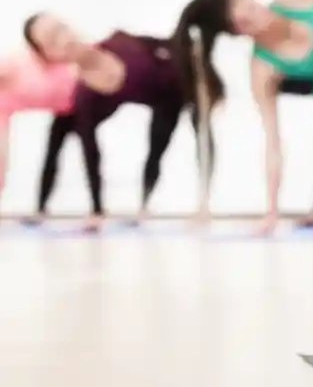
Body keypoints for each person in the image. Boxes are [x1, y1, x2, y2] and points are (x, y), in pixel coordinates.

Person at [174, 0, 313, 235]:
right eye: (246, 21)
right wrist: (271, 212)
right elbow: (273, 142)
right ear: (237, 32)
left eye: (251, 4)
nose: (259, 16)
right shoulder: (262, 69)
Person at [19, 12, 220, 231]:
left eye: (61, 29)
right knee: (61, 127)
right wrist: (97, 210)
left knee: (161, 148)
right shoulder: (85, 96)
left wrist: (202, 69)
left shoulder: (120, 41)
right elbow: (91, 151)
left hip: (179, 89)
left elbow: (171, 43)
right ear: (48, 56)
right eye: (52, 40)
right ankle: (43, 207)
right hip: (160, 102)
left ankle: (200, 203)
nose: (64, 40)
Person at [0, 32, 79, 218]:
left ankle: (42, 206)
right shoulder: (16, 62)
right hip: (8, 104)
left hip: (69, 109)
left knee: (56, 153)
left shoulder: (71, 66)